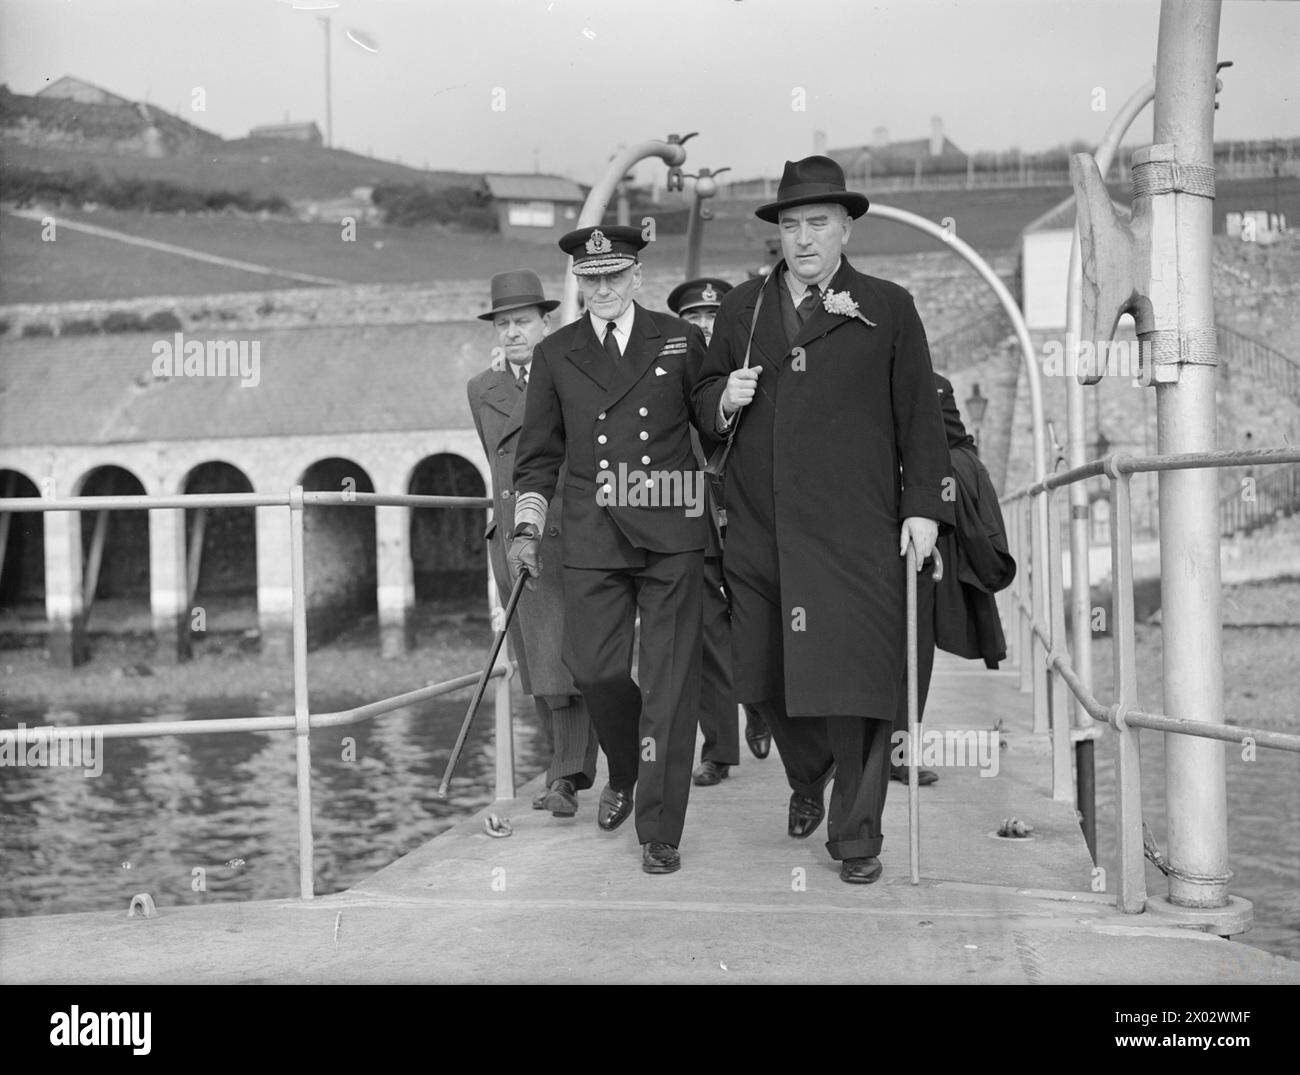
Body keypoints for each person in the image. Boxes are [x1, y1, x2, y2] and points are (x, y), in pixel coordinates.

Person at [692, 156, 954, 884]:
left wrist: (923, 511)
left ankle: (857, 836)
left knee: (859, 684)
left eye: (816, 224)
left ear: (845, 228)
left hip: (854, 530)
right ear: (776, 233)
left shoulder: (888, 307)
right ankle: (810, 776)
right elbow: (703, 403)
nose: (802, 239)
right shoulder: (743, 309)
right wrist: (722, 397)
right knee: (765, 679)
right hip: (759, 528)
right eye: (789, 225)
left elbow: (920, 421)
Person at [510, 226, 710, 875]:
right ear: (577, 283)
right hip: (593, 530)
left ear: (636, 278)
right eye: (589, 278)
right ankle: (624, 765)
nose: (601, 288)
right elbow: (538, 456)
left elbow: (710, 425)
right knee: (592, 666)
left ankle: (659, 828)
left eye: (613, 276)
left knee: (668, 684)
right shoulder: (556, 353)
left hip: (671, 531)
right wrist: (526, 528)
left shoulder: (680, 339)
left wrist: (730, 408)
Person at [466, 270, 600, 816]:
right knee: (539, 662)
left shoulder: (574, 371)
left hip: (567, 530)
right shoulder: (482, 389)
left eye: (522, 321)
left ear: (547, 322)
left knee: (571, 657)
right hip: (514, 538)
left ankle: (566, 775)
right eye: (504, 324)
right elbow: (501, 467)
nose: (513, 332)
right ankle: (562, 771)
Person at [666, 276, 772, 786]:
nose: (705, 327)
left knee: (759, 619)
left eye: (713, 318)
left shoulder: (759, 358)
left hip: (756, 512)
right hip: (697, 515)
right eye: (694, 320)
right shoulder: (668, 365)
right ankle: (720, 749)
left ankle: (760, 704)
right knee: (708, 633)